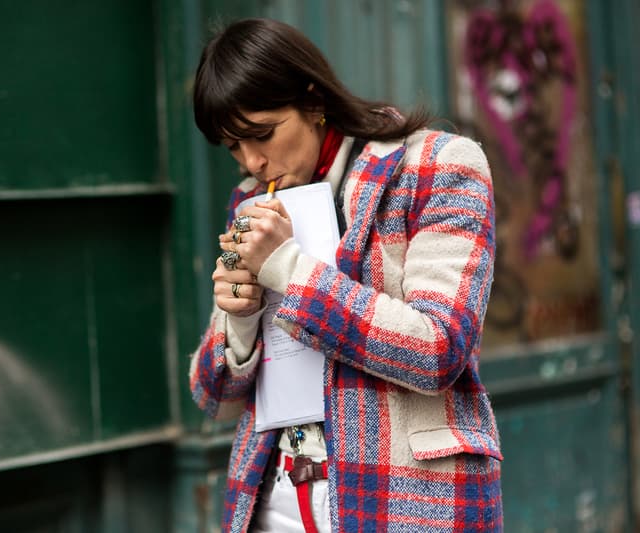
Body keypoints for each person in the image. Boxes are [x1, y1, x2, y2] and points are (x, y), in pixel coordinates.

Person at [188, 17, 502, 533]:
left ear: (313, 102)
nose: (252, 161)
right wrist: (239, 320)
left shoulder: (437, 166)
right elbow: (213, 400)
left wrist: (289, 270)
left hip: (401, 498)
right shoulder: (249, 201)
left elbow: (439, 350)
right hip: (273, 497)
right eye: (232, 146)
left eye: (262, 134)